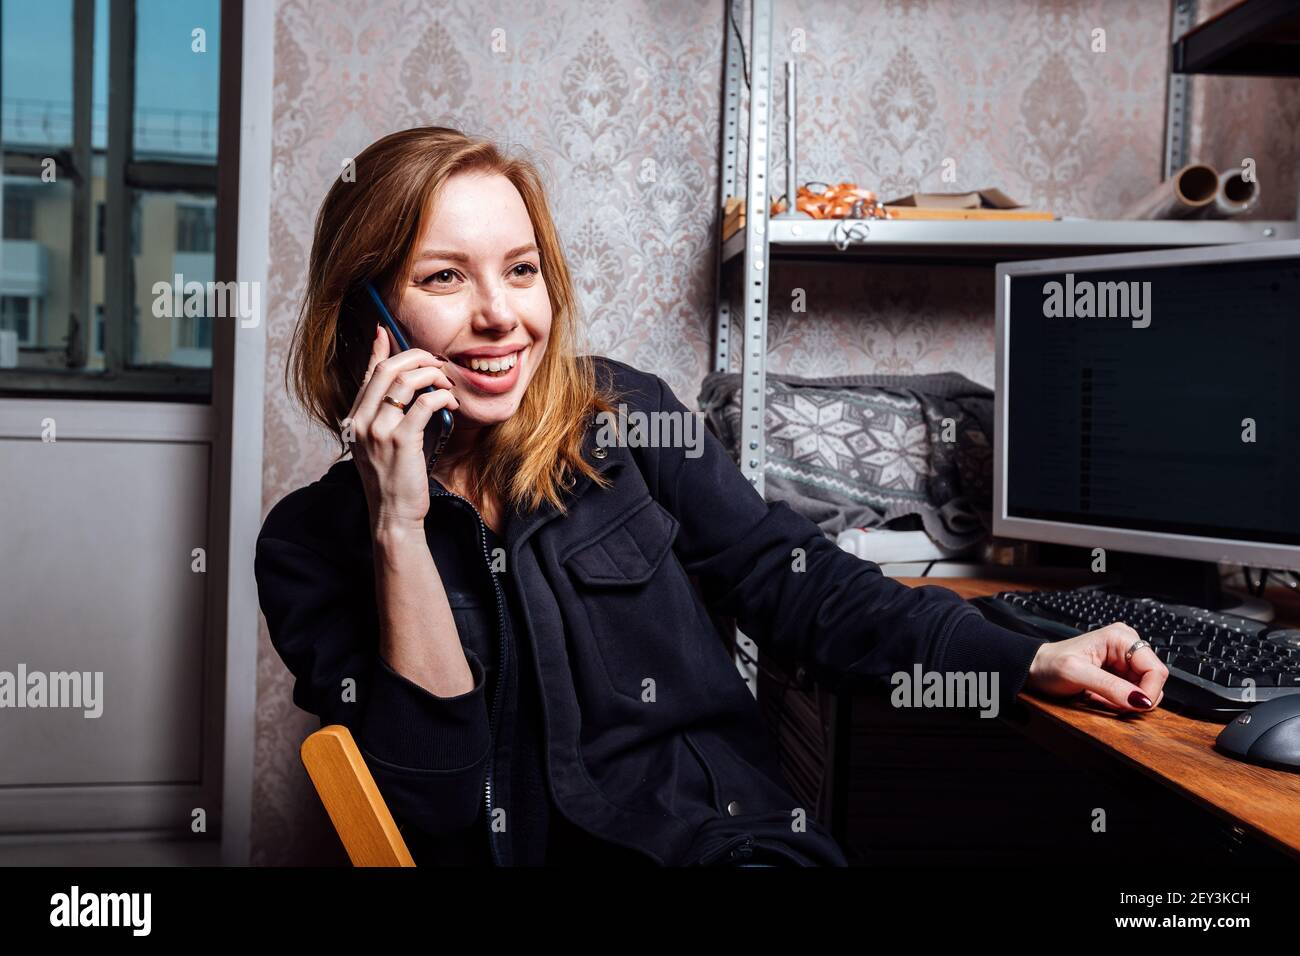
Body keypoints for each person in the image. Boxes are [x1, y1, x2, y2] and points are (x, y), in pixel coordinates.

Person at [254, 127, 1169, 867]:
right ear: (365, 316)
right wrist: (398, 528)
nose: (502, 315)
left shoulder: (630, 417)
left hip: (723, 846)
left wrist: (1024, 655)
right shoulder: (307, 544)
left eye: (522, 269)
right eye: (444, 276)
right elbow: (438, 809)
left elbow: (797, 583)